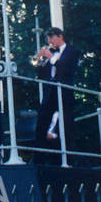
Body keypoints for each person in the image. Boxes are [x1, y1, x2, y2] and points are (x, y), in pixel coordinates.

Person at [32, 28, 81, 157]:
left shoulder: (72, 52)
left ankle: (70, 158)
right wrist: (39, 59)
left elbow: (66, 70)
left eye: (51, 38)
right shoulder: (51, 53)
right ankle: (39, 157)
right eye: (48, 39)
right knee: (42, 123)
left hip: (64, 93)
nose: (49, 41)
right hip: (50, 93)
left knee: (66, 125)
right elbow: (41, 74)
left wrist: (51, 57)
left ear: (60, 36)